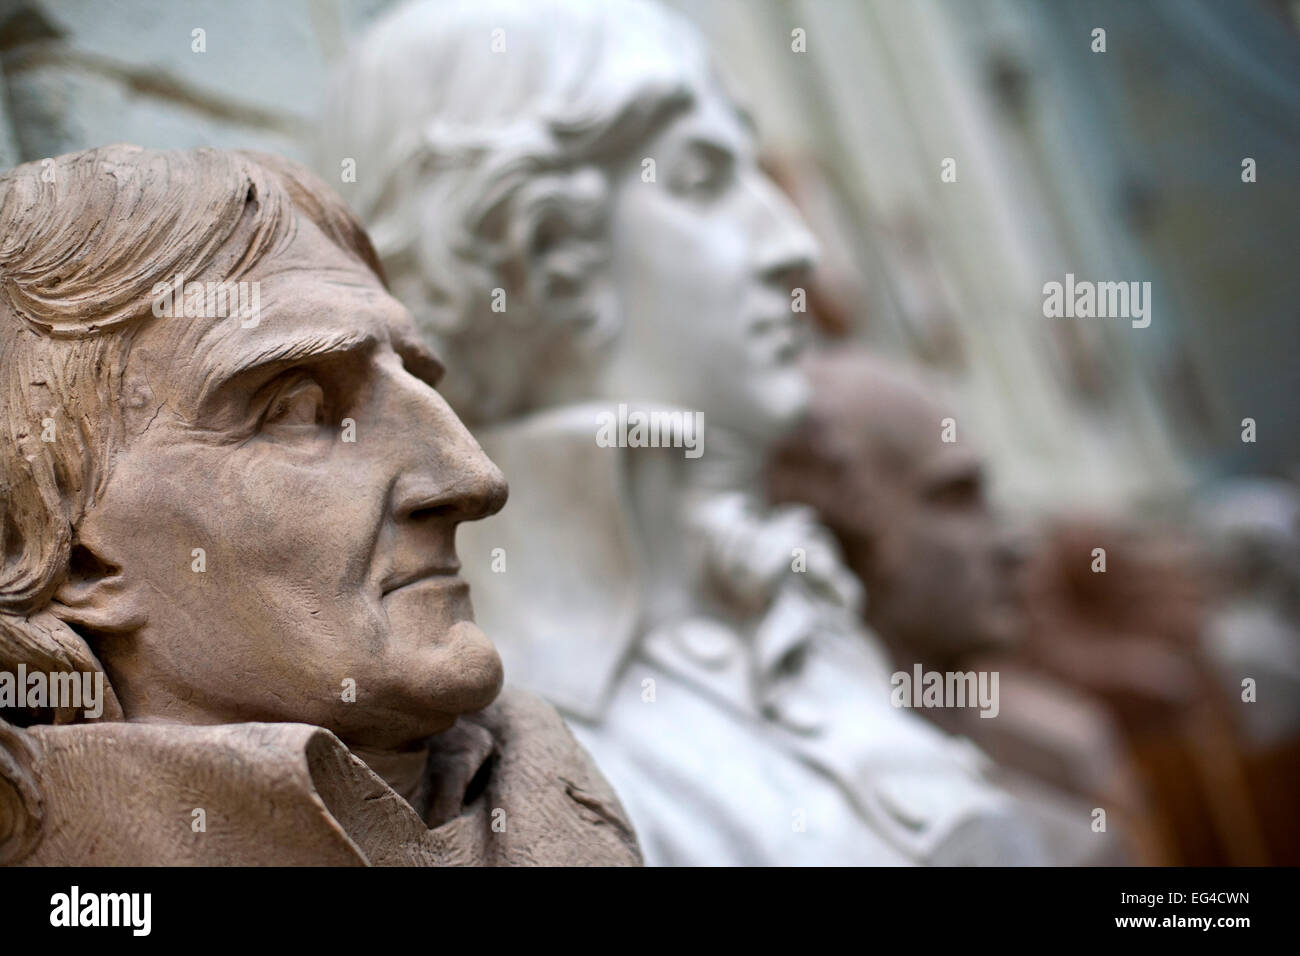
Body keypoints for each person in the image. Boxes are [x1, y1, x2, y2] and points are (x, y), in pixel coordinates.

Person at [322, 0, 1049, 865]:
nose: (794, 250)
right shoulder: (498, 742)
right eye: (703, 177)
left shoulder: (791, 611)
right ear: (530, 243)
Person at [0, 144, 641, 866]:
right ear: (67, 551)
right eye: (299, 409)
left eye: (422, 382)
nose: (473, 479)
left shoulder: (560, 802)